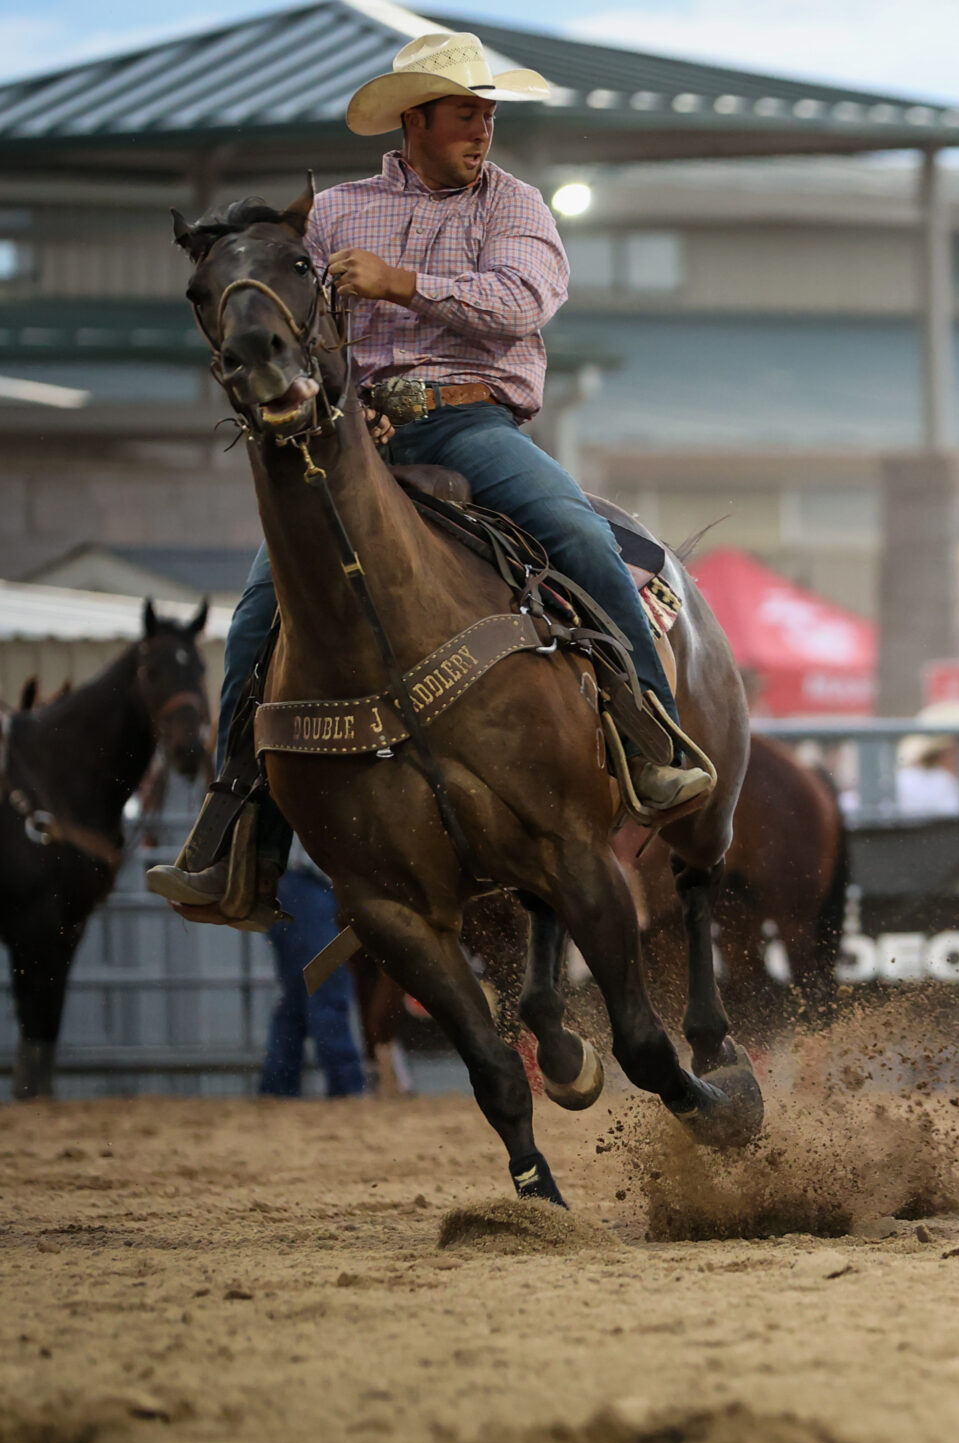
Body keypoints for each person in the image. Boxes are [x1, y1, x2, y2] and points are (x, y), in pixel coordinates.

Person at [149, 29, 710, 923]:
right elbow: (305, 328)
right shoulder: (332, 213)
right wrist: (337, 394)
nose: (481, 130)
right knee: (261, 607)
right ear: (414, 120)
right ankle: (233, 826)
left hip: (471, 420)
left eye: (487, 114)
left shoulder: (514, 206)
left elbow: (524, 303)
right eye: (464, 115)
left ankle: (647, 733)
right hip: (354, 440)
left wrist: (401, 282)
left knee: (574, 529)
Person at [261, 841, 367, 1098]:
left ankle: (278, 1084)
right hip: (306, 880)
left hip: (292, 882)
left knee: (299, 992)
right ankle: (346, 1084)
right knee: (325, 981)